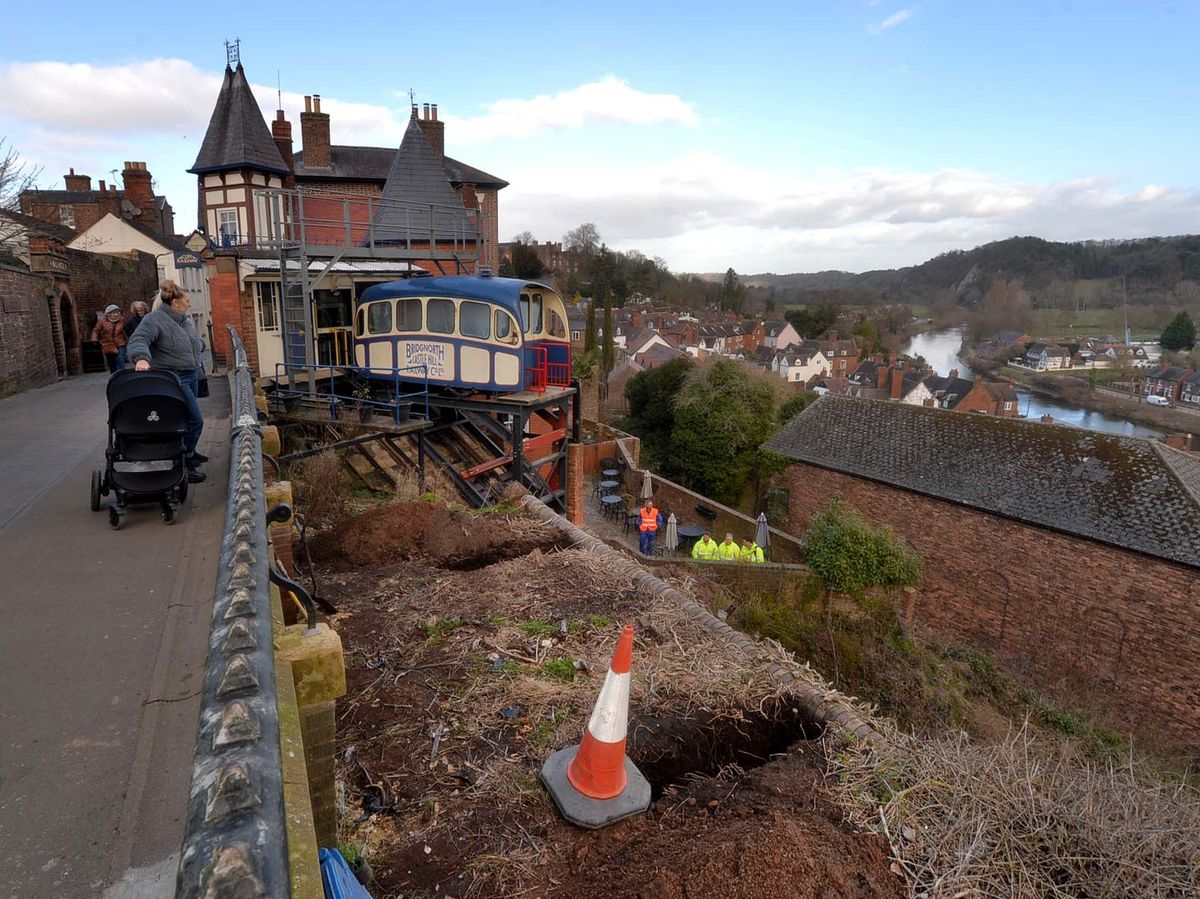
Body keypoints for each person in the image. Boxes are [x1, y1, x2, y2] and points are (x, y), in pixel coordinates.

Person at [127, 281, 208, 483]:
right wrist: (141, 358)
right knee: (195, 420)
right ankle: (184, 463)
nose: (189, 304)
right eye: (187, 300)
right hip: (174, 378)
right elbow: (139, 339)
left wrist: (199, 345)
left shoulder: (183, 320)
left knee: (187, 418)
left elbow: (189, 341)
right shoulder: (154, 319)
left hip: (191, 374)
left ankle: (191, 452)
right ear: (175, 302)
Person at [91, 305, 127, 373]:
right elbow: (96, 330)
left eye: (118, 312)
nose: (116, 314)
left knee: (121, 359)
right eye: (114, 313)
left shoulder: (122, 320)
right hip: (108, 343)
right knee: (111, 362)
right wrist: (94, 339)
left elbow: (127, 329)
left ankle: (122, 375)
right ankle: (114, 375)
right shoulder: (102, 321)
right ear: (108, 314)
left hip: (120, 342)